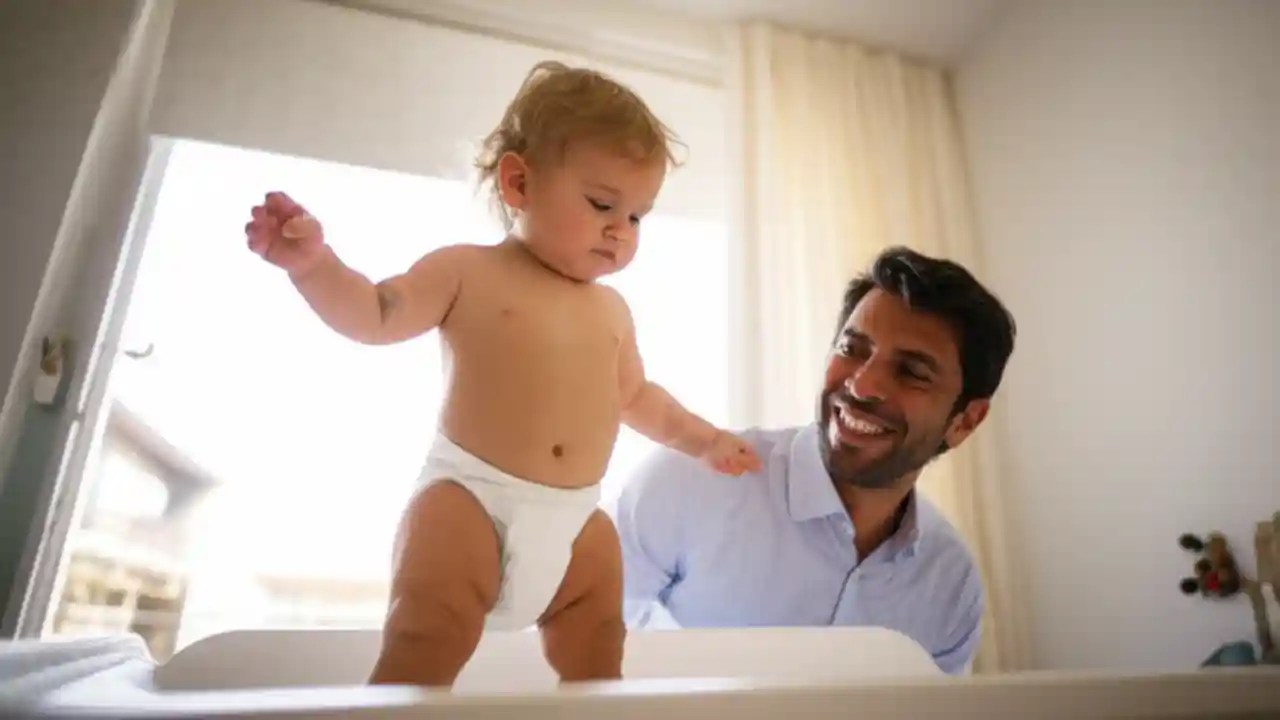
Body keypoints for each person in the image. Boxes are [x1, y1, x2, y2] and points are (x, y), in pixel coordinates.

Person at [240, 61, 763, 687]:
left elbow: (638, 397)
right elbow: (377, 315)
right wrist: (313, 265)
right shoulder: (467, 271)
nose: (620, 231)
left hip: (573, 517)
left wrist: (705, 441)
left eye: (636, 216)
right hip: (471, 500)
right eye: (602, 204)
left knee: (600, 638)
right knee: (427, 631)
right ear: (518, 183)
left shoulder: (612, 310)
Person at [612, 246, 1016, 674]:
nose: (863, 386)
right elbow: (577, 666)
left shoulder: (951, 584)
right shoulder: (690, 483)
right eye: (853, 348)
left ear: (966, 421)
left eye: (912, 372)